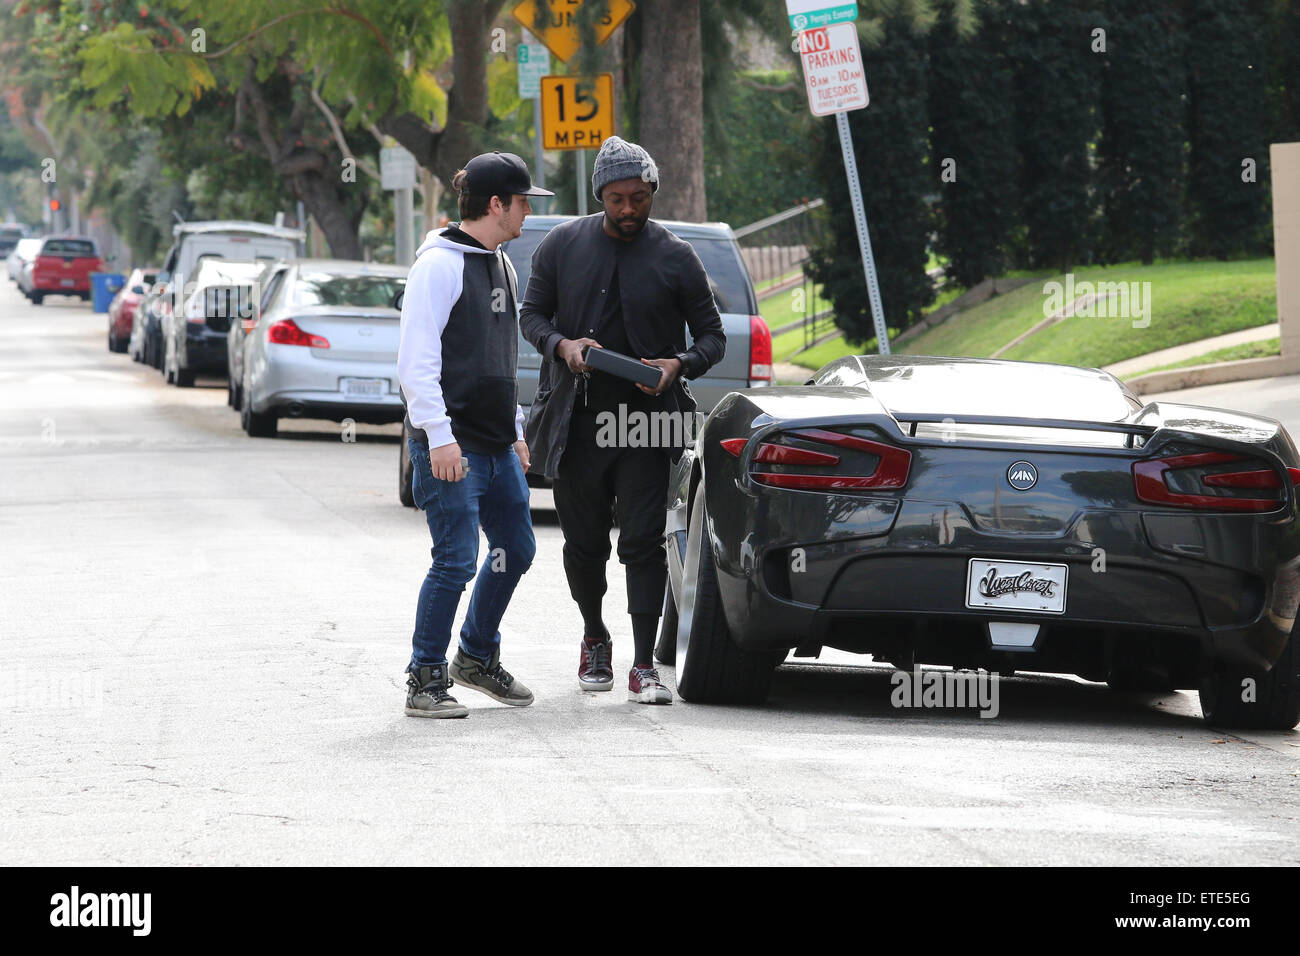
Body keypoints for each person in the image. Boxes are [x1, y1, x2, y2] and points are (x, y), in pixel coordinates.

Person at [520, 135, 726, 705]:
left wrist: (676, 364)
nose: (628, 209)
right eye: (616, 199)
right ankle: (594, 635)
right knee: (584, 545)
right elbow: (531, 315)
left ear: (653, 191)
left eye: (638, 197)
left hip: (648, 423)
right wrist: (562, 346)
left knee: (641, 542)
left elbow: (712, 338)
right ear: (600, 196)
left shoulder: (677, 256)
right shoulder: (562, 245)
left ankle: (642, 665)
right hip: (577, 420)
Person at [397, 151, 554, 718]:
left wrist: (514, 430)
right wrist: (439, 437)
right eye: (522, 202)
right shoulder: (437, 267)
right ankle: (424, 678)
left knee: (515, 549)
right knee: (456, 560)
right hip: (451, 447)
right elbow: (416, 364)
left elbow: (499, 360)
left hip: (494, 443)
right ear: (496, 205)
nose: (527, 213)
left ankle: (476, 657)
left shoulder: (503, 265)